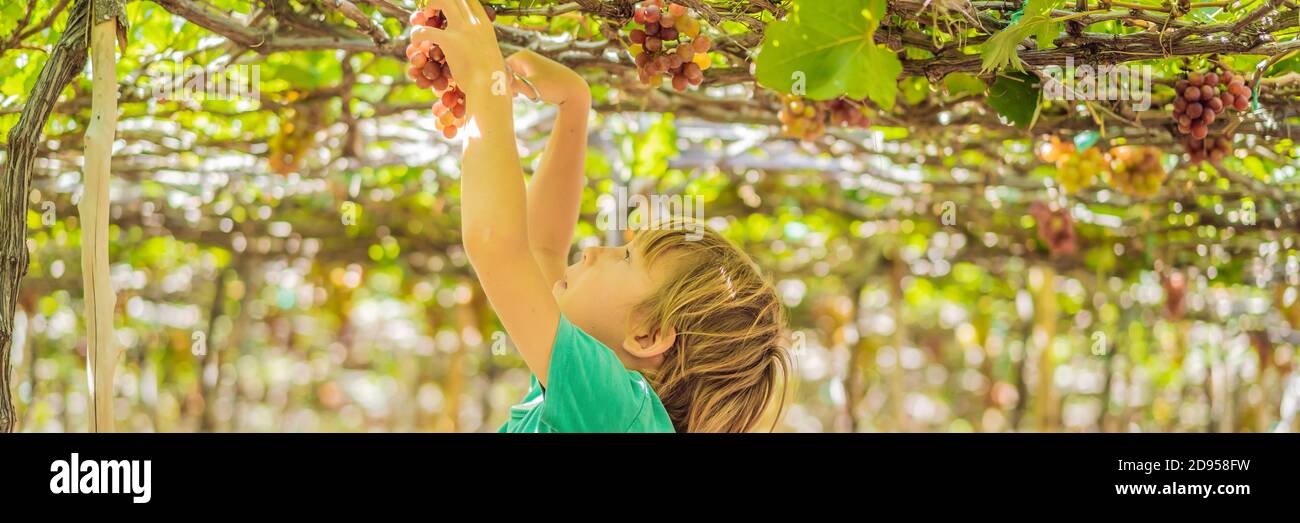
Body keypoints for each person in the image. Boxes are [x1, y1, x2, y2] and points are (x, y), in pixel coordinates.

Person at [415, 0, 791, 432]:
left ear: (647, 336)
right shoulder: (606, 410)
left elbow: (497, 245)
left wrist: (488, 81)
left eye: (627, 257)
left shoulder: (620, 412)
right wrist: (573, 106)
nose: (594, 250)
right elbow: (539, 249)